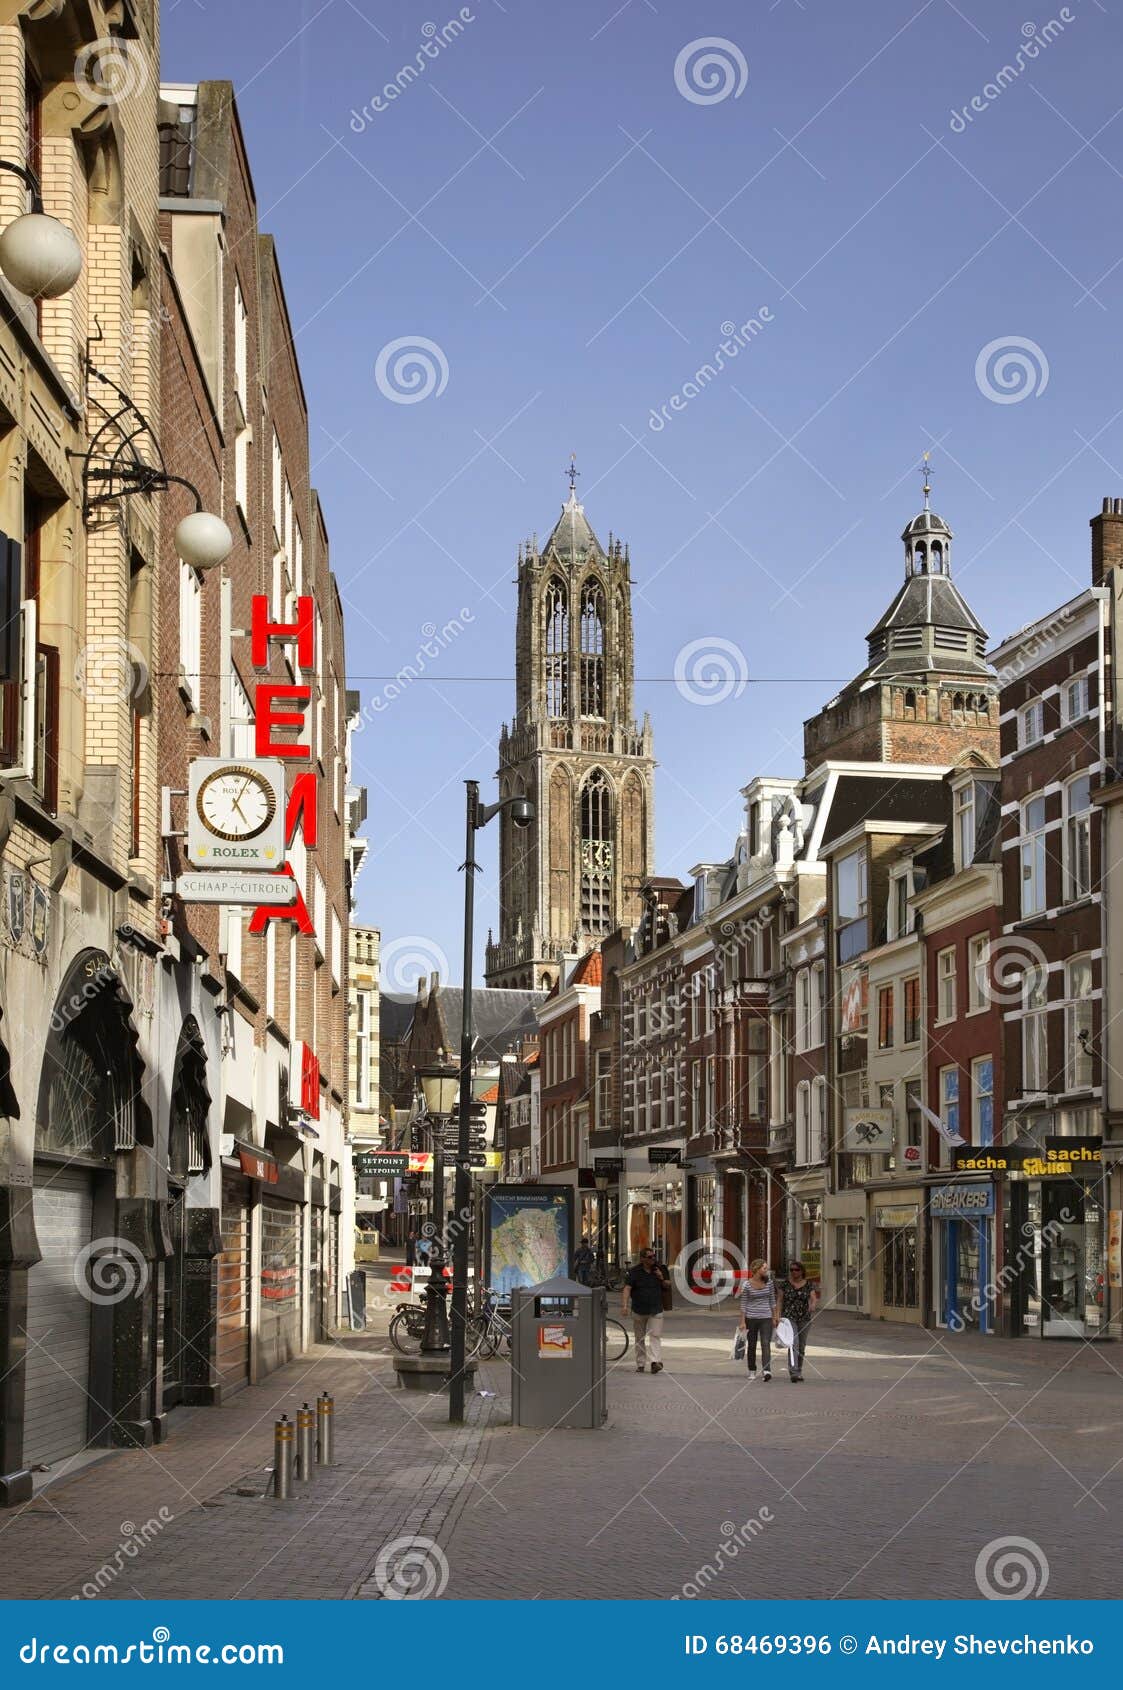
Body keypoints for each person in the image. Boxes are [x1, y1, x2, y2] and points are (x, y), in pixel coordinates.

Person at [622, 1247, 669, 1374]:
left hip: (656, 1308)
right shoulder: (634, 1272)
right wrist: (625, 1306)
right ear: (642, 1259)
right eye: (649, 1257)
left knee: (655, 1336)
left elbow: (668, 1285)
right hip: (639, 1309)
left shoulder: (660, 1269)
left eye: (654, 1256)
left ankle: (655, 1362)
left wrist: (661, 1278)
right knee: (639, 1338)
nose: (653, 1258)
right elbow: (627, 1288)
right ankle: (641, 1364)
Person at [774, 1260, 819, 1382]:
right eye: (792, 1270)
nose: (794, 1272)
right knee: (794, 1343)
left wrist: (813, 1305)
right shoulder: (785, 1284)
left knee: (802, 1346)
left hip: (804, 1318)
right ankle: (793, 1372)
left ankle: (799, 1370)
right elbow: (779, 1300)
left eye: (796, 1270)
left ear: (802, 1271)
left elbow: (814, 1298)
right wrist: (777, 1316)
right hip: (789, 1318)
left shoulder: (808, 1284)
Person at [738, 1258, 777, 1382]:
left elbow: (772, 1300)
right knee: (752, 1345)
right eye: (764, 1268)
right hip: (751, 1318)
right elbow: (743, 1304)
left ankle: (767, 1370)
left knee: (765, 1343)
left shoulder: (769, 1283)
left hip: (766, 1317)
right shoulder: (747, 1284)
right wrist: (742, 1322)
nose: (767, 1270)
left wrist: (775, 1316)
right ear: (756, 1269)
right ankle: (752, 1370)